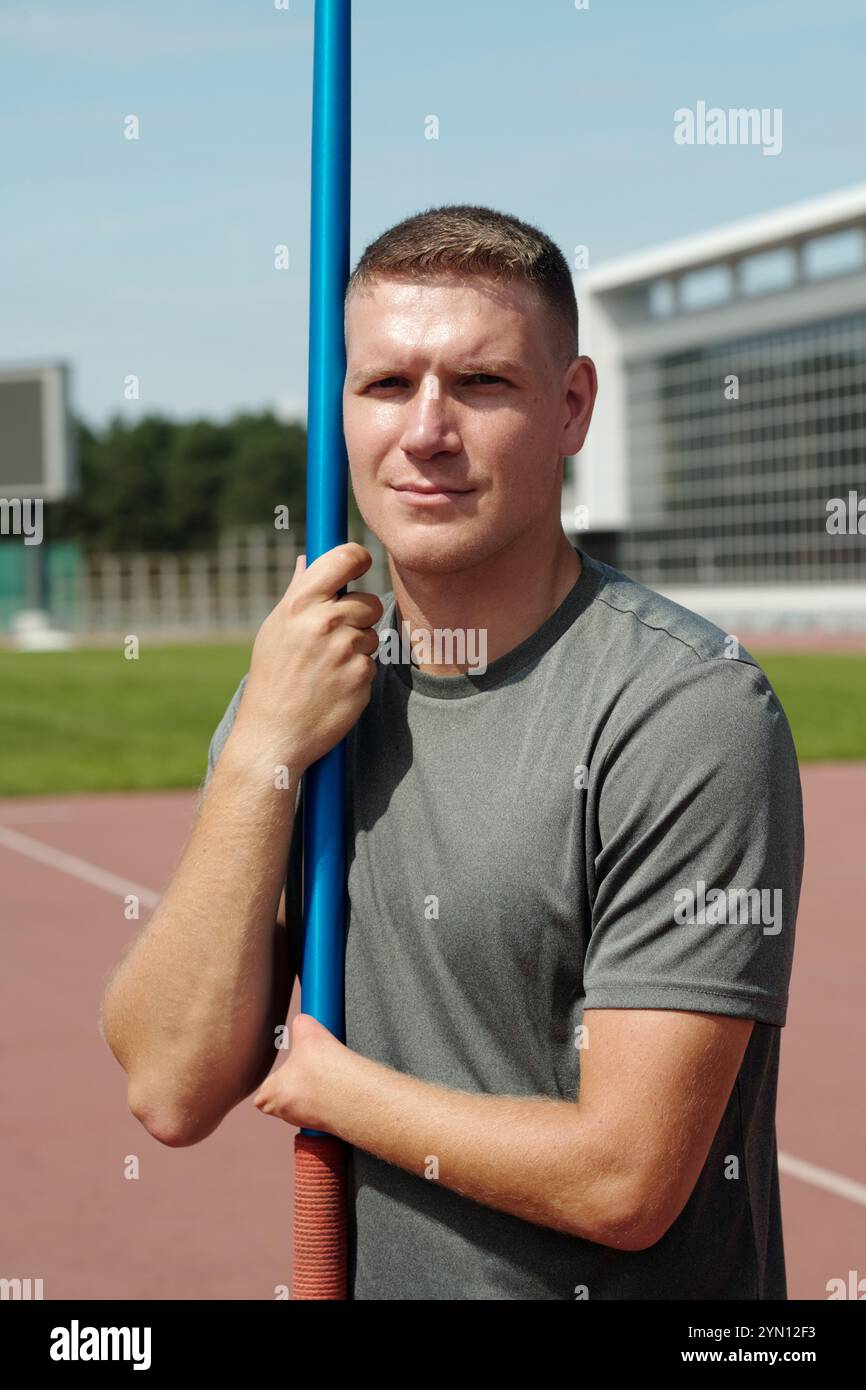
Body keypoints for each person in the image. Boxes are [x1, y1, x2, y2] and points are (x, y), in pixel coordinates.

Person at [101, 204, 804, 1300]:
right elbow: (171, 1086)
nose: (424, 431)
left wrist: (338, 1091)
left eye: (480, 384)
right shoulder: (298, 693)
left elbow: (625, 1180)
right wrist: (259, 754)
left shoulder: (681, 710)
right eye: (385, 385)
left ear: (570, 407)